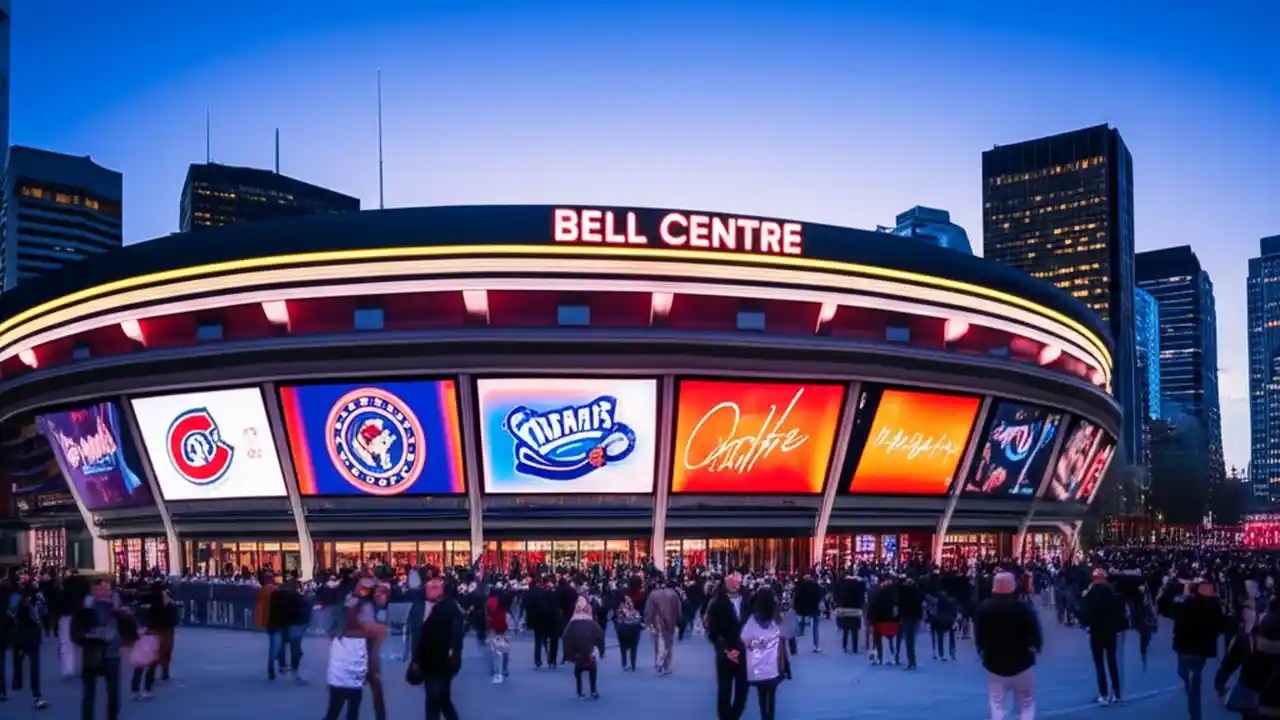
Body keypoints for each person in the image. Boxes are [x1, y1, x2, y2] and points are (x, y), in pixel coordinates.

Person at [975, 572, 1041, 720]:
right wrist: (1036, 646)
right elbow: (1035, 630)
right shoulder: (1023, 608)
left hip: (995, 663)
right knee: (1026, 703)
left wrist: (982, 651)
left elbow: (979, 635)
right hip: (1022, 662)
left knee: (997, 703)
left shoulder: (985, 608)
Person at [1158, 578, 1221, 720]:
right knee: (1194, 676)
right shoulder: (1213, 605)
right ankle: (1195, 710)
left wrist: (1167, 589)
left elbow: (1164, 609)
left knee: (1184, 672)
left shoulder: (1183, 604)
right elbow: (1220, 626)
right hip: (1201, 649)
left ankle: (1194, 708)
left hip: (1184, 647)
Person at [73, 578, 128, 720]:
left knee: (113, 691)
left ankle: (112, 717)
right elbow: (76, 631)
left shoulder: (116, 604)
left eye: (106, 590)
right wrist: (87, 637)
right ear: (93, 591)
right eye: (100, 590)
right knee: (90, 692)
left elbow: (126, 627)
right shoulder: (85, 606)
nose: (104, 593)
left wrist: (125, 618)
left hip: (111, 652)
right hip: (92, 652)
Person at [413, 577, 464, 720]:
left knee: (435, 698)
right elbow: (417, 632)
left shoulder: (448, 607)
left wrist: (454, 654)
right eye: (429, 587)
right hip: (430, 658)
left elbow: (456, 635)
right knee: (441, 698)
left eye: (435, 588)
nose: (431, 591)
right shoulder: (421, 607)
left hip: (440, 659)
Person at [706, 572, 751, 720]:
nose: (736, 584)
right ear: (726, 582)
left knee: (742, 692)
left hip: (744, 651)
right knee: (724, 691)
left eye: (738, 581)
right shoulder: (717, 602)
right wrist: (724, 650)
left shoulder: (747, 599)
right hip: (725, 651)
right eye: (733, 581)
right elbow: (712, 632)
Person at [1079, 568, 1127, 705]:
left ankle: (1103, 694)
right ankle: (1117, 694)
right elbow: (1120, 612)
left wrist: (1085, 624)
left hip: (1096, 632)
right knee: (1112, 662)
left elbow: (1084, 611)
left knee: (1099, 664)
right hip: (1110, 632)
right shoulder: (1113, 593)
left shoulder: (1090, 594)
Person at [742, 586, 786, 720]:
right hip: (774, 665)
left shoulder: (753, 621)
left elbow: (745, 639)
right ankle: (769, 717)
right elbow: (784, 636)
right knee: (771, 695)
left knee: (762, 695)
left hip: (757, 666)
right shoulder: (776, 620)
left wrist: (758, 644)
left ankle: (764, 716)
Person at [322, 602, 368, 720]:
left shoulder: (337, 639)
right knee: (353, 713)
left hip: (338, 680)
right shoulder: (364, 639)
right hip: (356, 681)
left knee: (333, 711)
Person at [8, 578, 49, 709]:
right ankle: (35, 691)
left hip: (19, 634)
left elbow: (10, 613)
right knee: (34, 664)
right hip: (32, 635)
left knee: (18, 658)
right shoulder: (37, 598)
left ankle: (17, 682)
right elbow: (41, 613)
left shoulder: (14, 598)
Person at [562, 596, 606, 699]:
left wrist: (568, 654)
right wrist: (600, 649)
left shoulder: (572, 623)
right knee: (592, 670)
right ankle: (593, 690)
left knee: (578, 670)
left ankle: (579, 690)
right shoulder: (592, 623)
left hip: (577, 651)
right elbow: (600, 634)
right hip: (589, 650)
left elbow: (565, 636)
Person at [645, 579, 681, 675]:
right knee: (669, 643)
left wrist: (648, 621)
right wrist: (678, 620)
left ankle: (660, 662)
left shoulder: (653, 595)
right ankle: (667, 665)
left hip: (658, 621)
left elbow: (649, 610)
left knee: (659, 643)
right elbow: (679, 609)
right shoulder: (674, 594)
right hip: (671, 621)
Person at [833, 570, 866, 654]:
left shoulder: (842, 584)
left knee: (845, 629)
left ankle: (844, 646)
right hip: (855, 610)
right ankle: (855, 647)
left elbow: (837, 595)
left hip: (844, 609)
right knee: (855, 631)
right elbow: (862, 596)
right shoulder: (859, 584)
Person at [897, 575, 924, 669]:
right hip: (915, 617)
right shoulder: (916, 591)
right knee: (911, 639)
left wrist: (900, 616)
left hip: (907, 617)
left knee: (907, 639)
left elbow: (901, 605)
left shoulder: (903, 592)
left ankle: (909, 660)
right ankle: (911, 660)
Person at [792, 573, 823, 653]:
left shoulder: (800, 586)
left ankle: (796, 646)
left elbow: (796, 597)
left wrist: (796, 608)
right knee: (815, 627)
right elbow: (819, 596)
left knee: (798, 626)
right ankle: (817, 646)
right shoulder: (815, 586)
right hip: (814, 608)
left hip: (802, 609)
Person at [613, 594, 643, 672]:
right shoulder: (634, 611)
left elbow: (616, 620)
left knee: (623, 648)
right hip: (633, 630)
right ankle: (633, 664)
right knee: (633, 648)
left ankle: (624, 663)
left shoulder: (619, 610)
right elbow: (639, 620)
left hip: (622, 630)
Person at [486, 586, 510, 683]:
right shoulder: (503, 600)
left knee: (493, 647)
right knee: (504, 647)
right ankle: (504, 668)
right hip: (503, 623)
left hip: (493, 623)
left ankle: (494, 668)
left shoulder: (490, 601)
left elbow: (488, 612)